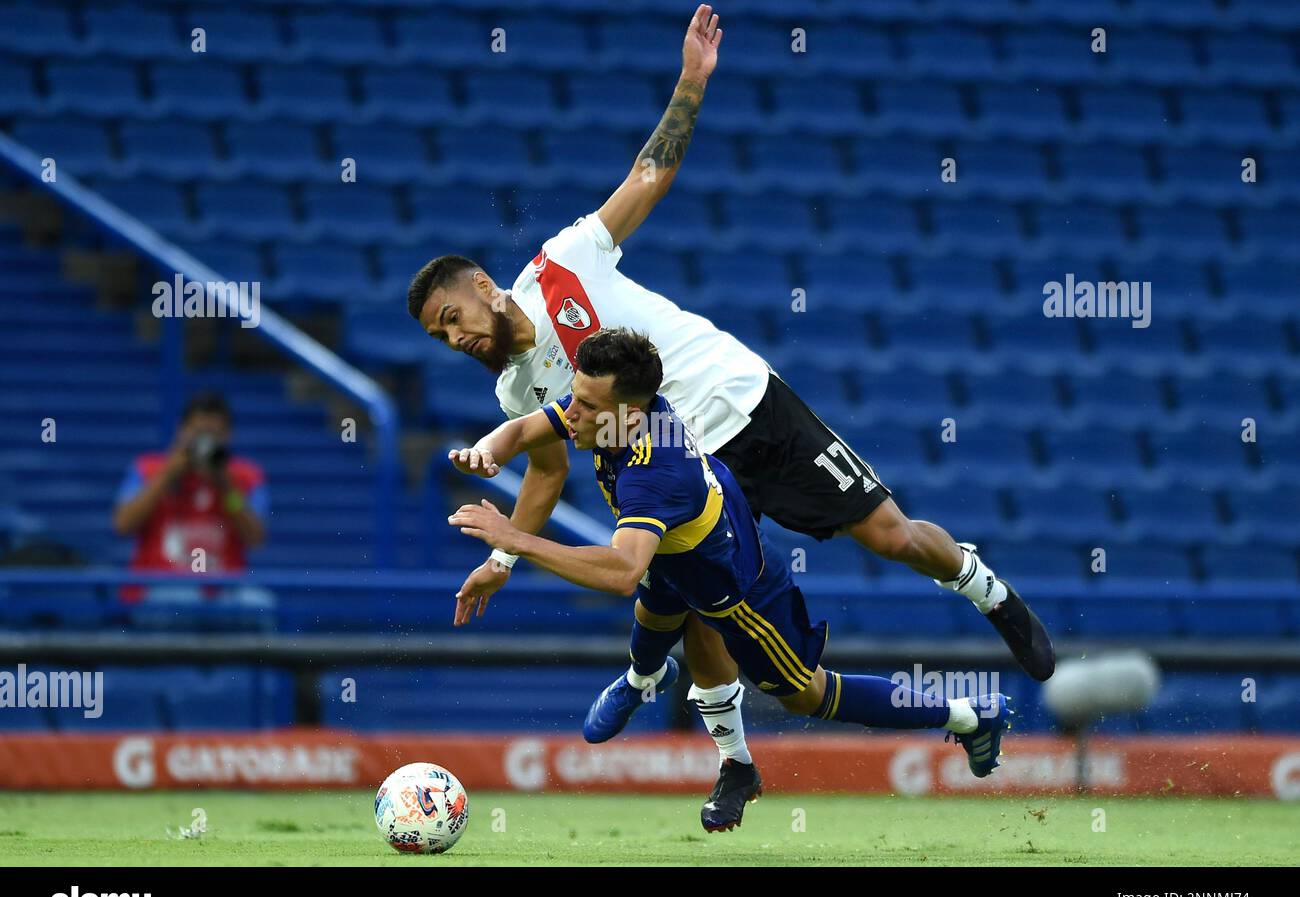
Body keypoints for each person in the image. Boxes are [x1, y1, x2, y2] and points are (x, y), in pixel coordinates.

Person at [413, 5, 1053, 828]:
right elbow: (542, 471)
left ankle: (984, 588)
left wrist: (690, 81)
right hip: (683, 471)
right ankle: (732, 760)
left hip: (741, 405)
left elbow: (648, 176)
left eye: (453, 318)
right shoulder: (514, 392)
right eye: (440, 337)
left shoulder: (564, 262)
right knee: (695, 589)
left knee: (889, 535)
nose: (455, 339)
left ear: (486, 291)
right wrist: (500, 563)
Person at [449, 329, 1013, 831]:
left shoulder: (653, 473)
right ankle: (649, 681)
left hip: (732, 583)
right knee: (657, 605)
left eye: (585, 406)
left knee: (805, 693)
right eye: (577, 397)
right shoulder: (608, 408)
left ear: (631, 413)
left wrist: (515, 540)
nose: (570, 414)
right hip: (681, 538)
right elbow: (526, 426)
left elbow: (622, 572)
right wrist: (486, 452)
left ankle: (967, 716)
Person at [113, 392, 267, 591]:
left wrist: (227, 488)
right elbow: (122, 525)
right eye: (199, 434)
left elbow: (255, 538)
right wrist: (166, 477)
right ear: (181, 430)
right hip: (160, 587)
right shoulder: (147, 469)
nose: (205, 444)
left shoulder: (246, 476)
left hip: (224, 590)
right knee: (182, 597)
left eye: (214, 436)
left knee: (258, 605)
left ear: (228, 436)